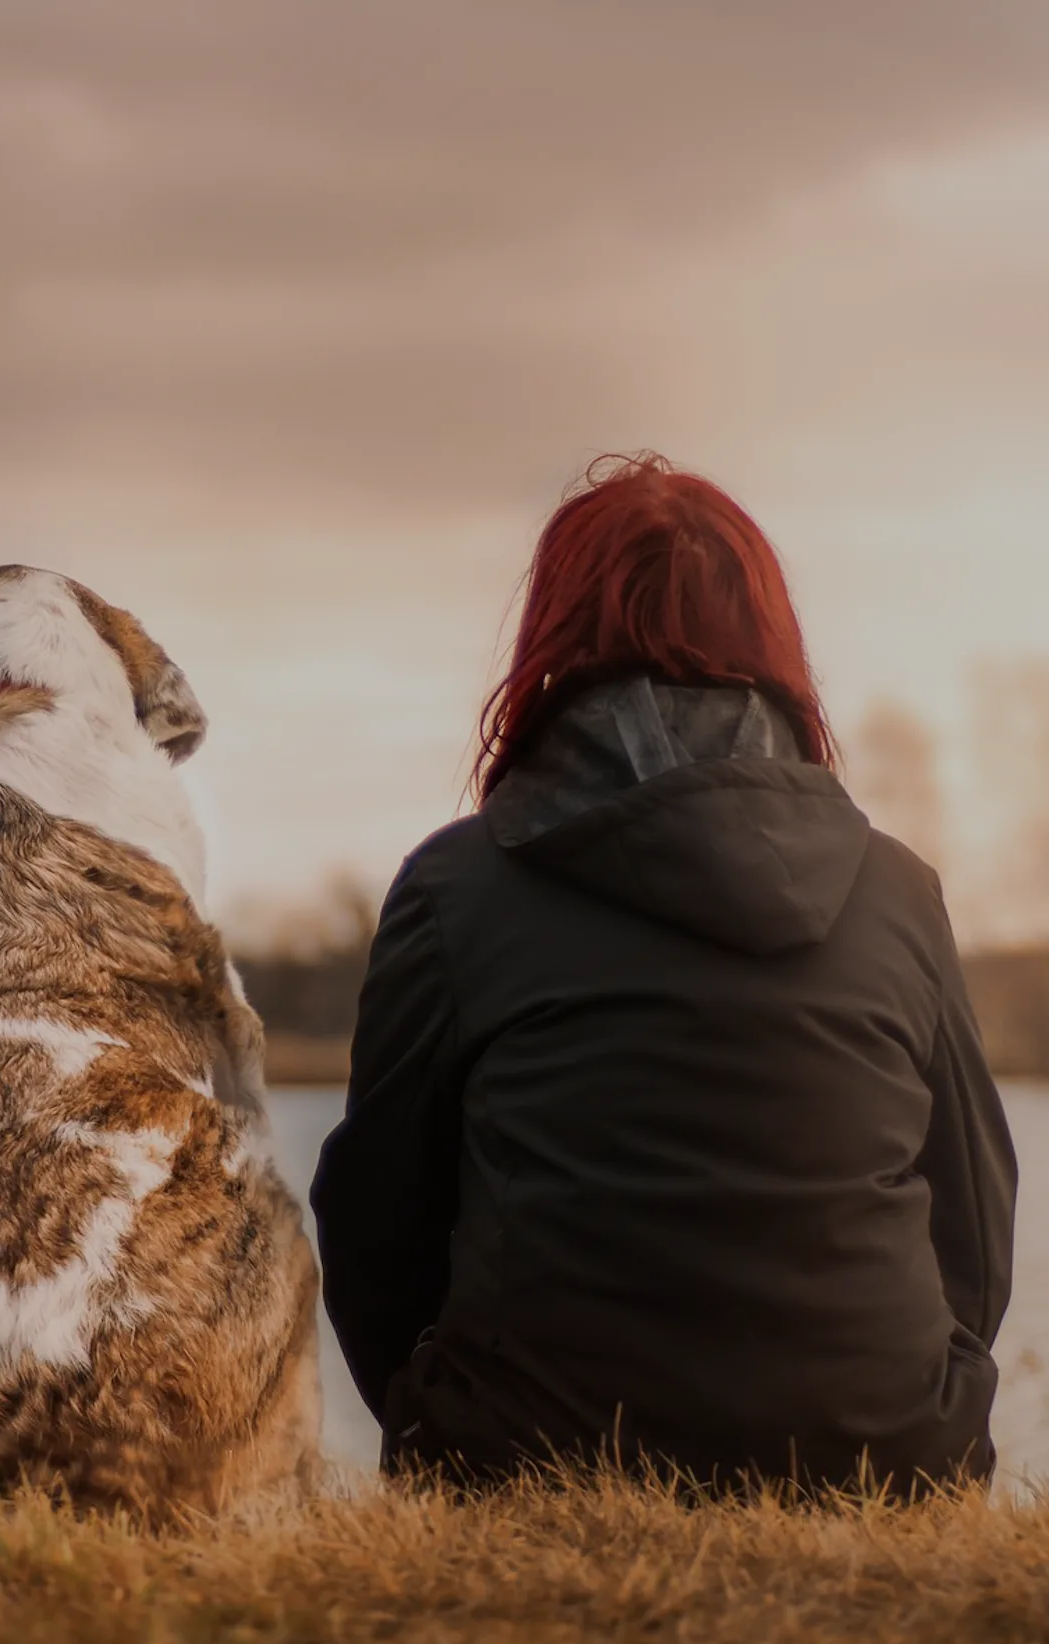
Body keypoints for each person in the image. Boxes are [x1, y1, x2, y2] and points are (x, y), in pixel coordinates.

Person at [309, 453, 1016, 1496]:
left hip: (528, 1457)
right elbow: (977, 1224)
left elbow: (376, 1219)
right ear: (772, 640)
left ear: (553, 639)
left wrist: (439, 1416)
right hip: (887, 1458)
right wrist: (919, 1402)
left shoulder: (457, 889)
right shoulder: (899, 891)